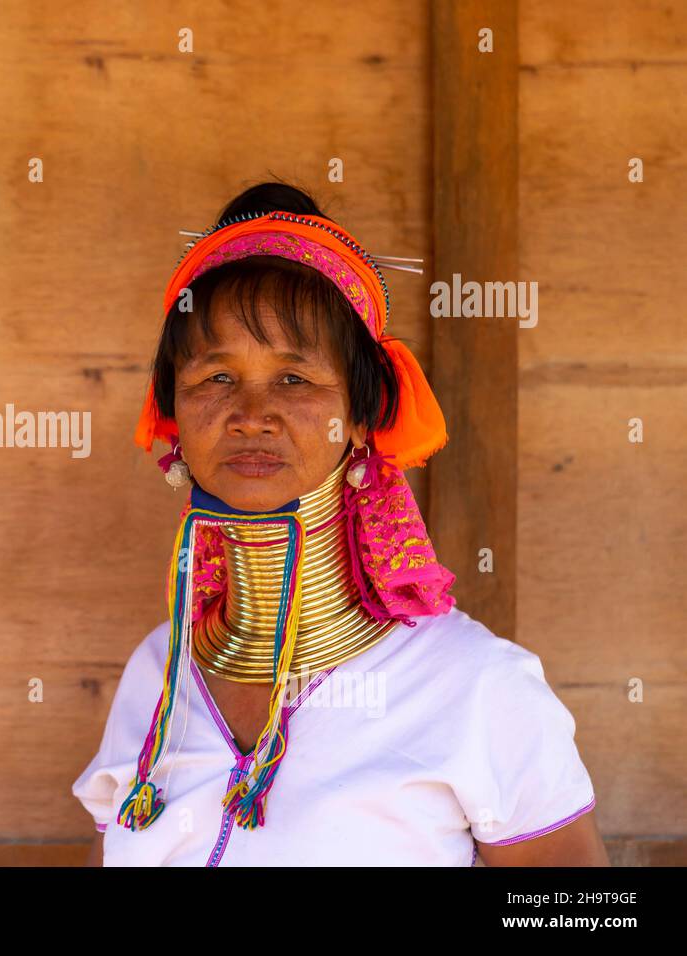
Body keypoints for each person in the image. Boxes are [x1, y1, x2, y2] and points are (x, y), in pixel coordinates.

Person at [72, 181, 608, 866]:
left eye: (294, 380)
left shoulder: (475, 685)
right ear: (174, 413)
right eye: (215, 378)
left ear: (360, 418)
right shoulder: (160, 671)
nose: (251, 414)